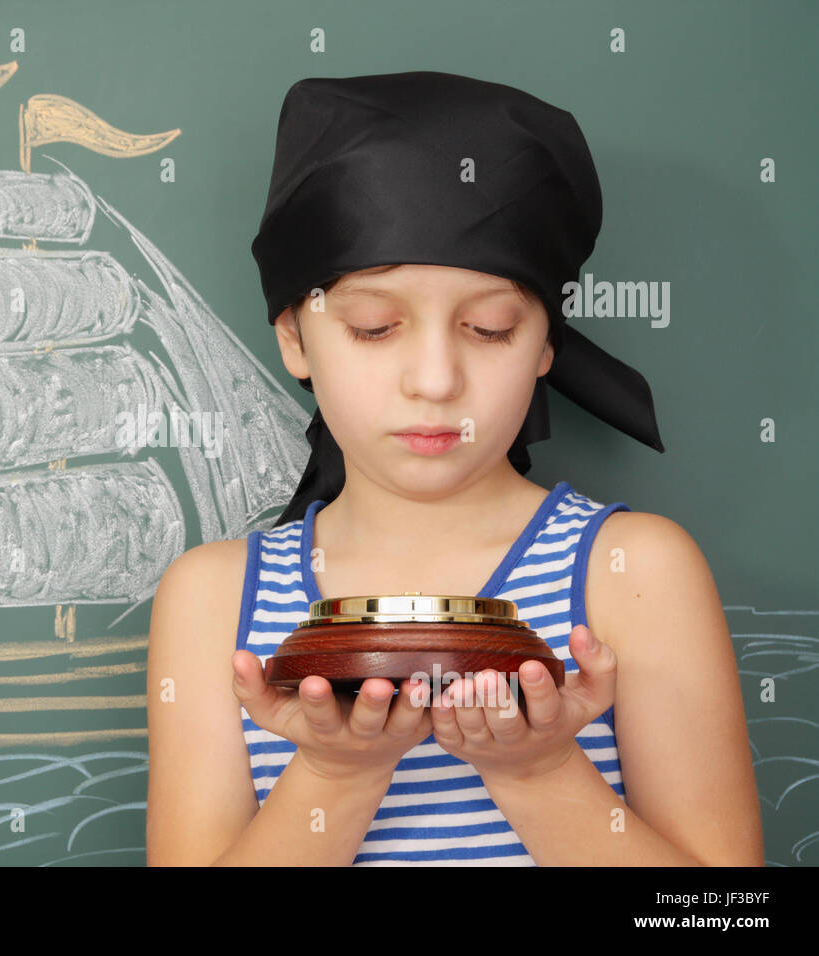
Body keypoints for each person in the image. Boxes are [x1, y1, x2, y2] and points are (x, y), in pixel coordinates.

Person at [145, 71, 762, 866]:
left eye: (488, 327)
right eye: (373, 327)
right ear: (296, 337)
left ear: (546, 344)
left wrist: (540, 772)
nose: (434, 380)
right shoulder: (215, 600)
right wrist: (336, 774)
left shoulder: (632, 574)